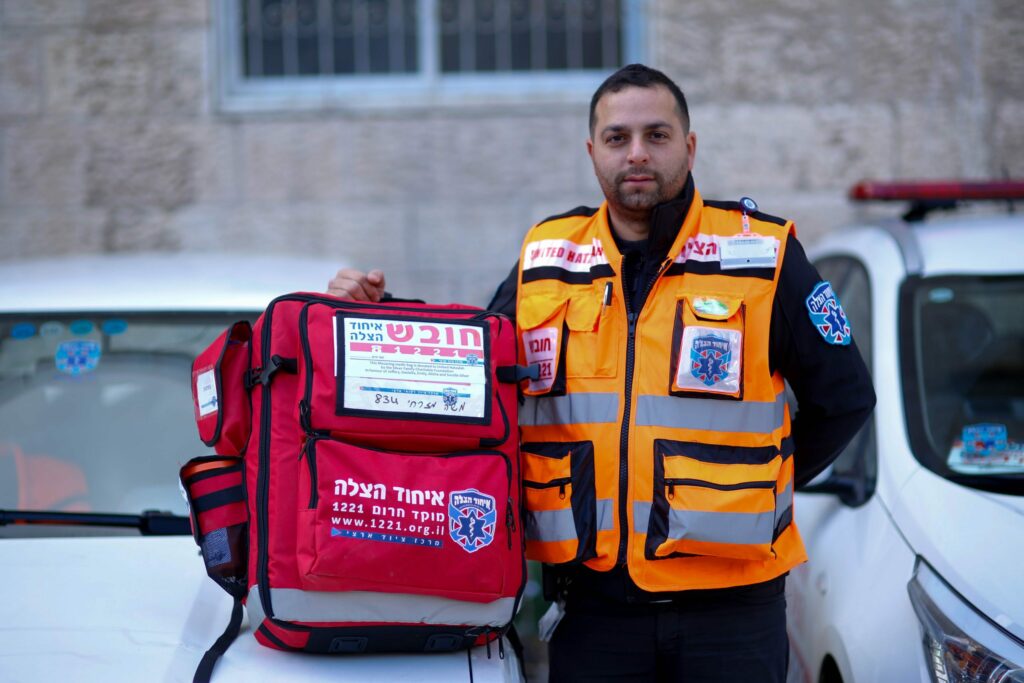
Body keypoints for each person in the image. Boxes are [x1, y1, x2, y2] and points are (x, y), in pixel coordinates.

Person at [328, 63, 875, 683]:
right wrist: (379, 312)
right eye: (618, 138)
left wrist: (762, 480)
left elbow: (847, 398)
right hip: (593, 610)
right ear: (593, 153)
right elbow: (471, 374)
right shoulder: (545, 258)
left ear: (689, 146)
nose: (637, 153)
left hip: (733, 611)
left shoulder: (762, 253)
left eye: (657, 135)